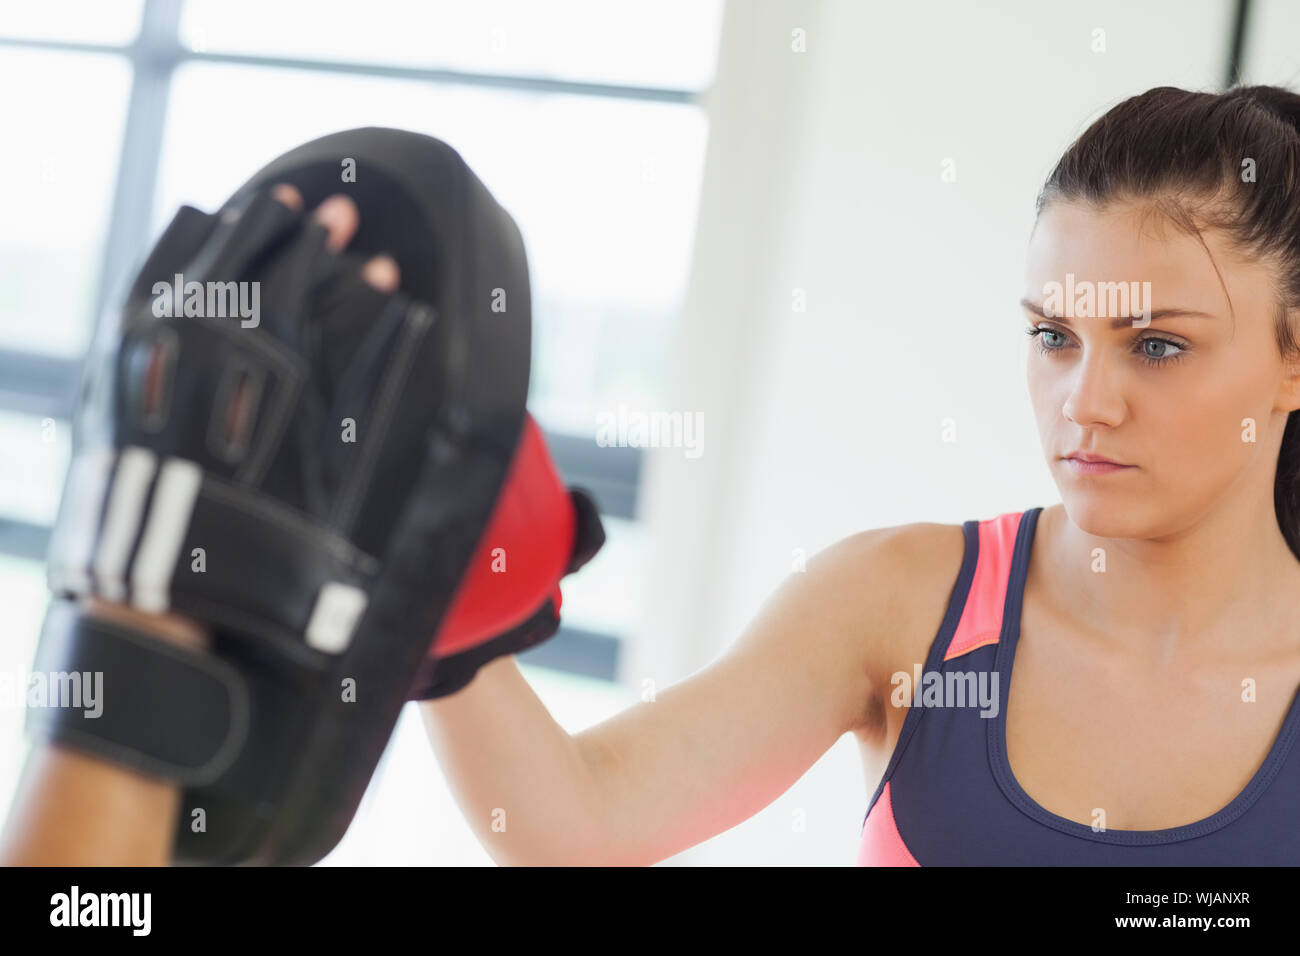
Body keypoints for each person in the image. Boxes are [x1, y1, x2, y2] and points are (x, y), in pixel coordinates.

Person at [421, 84, 1300, 865]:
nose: (1086, 403)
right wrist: (430, 566)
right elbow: (581, 826)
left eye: (1157, 346)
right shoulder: (897, 601)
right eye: (1053, 337)